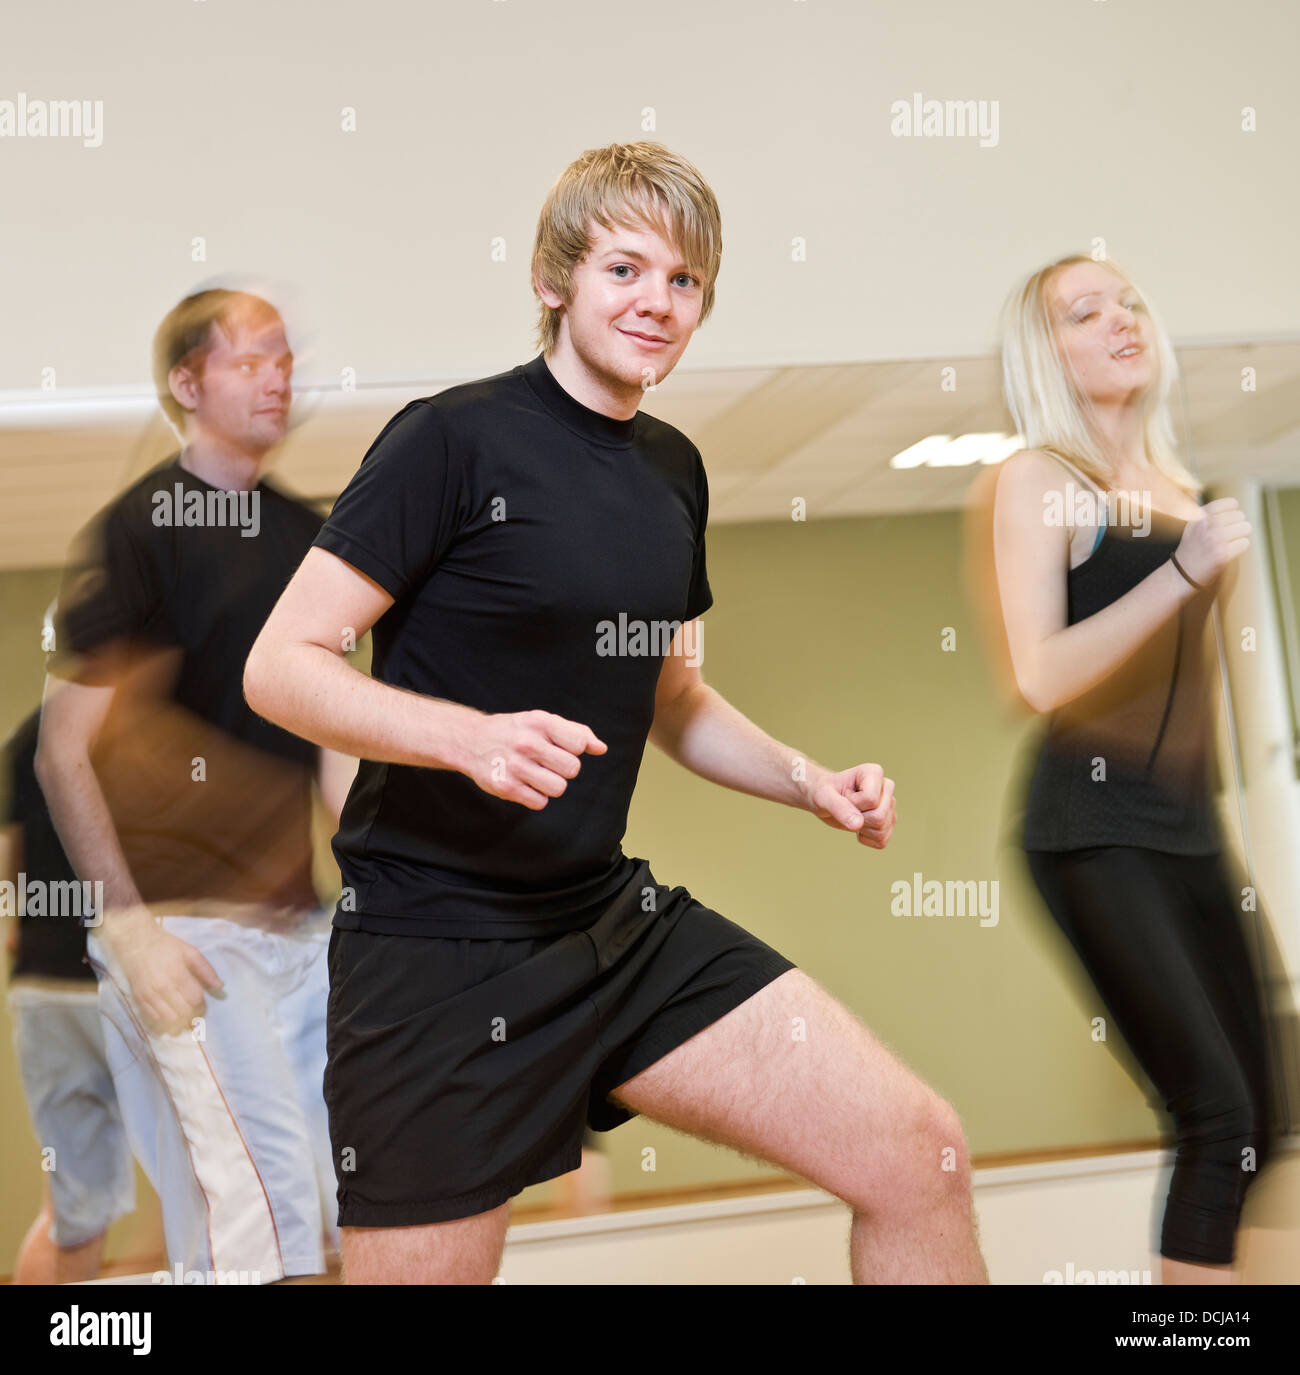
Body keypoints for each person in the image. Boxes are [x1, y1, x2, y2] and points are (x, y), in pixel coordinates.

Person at [244, 140, 988, 1285]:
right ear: (554, 280)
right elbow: (281, 665)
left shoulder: (672, 471)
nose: (657, 302)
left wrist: (807, 779)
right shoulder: (452, 438)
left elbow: (670, 692)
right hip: (432, 950)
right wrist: (466, 735)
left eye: (683, 281)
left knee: (920, 1153)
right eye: (624, 270)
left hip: (607, 924)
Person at [36, 288, 356, 1283]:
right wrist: (130, 927)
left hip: (299, 933)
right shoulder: (139, 532)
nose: (278, 374)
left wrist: (381, 894)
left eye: (284, 356)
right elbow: (62, 749)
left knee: (339, 1210)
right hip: (184, 937)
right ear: (187, 383)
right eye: (249, 357)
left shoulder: (319, 537)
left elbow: (339, 740)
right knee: (254, 1217)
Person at [985, 251, 1279, 1284]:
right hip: (1091, 830)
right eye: (1085, 312)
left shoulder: (1176, 485)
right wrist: (1184, 571)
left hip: (1190, 827)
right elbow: (1040, 674)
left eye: (1131, 303)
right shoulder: (1042, 481)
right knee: (1215, 1112)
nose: (1122, 320)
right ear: (1046, 353)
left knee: (1264, 1119)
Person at [3, 701, 135, 1283]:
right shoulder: (133, 723)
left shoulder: (25, 735)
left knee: (70, 1209)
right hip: (117, 983)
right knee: (208, 1181)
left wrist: (16, 921)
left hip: (39, 983)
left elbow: (9, 857)